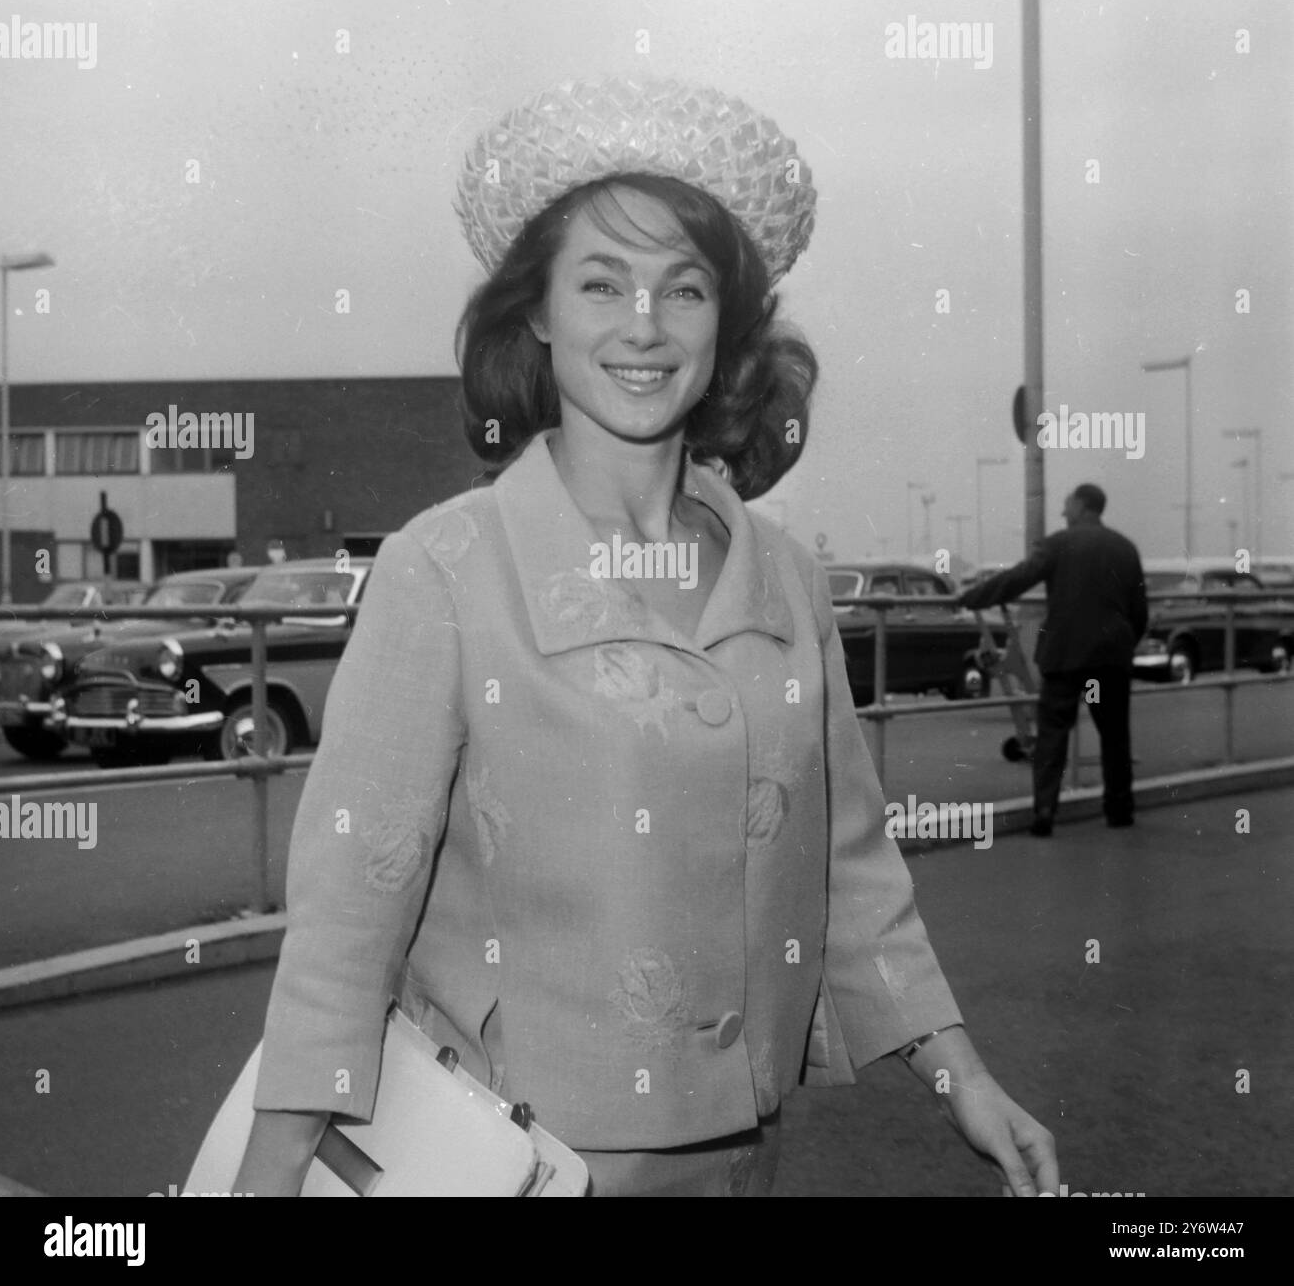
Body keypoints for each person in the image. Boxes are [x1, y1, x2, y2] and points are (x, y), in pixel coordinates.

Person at [232, 76, 1057, 1196]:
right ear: (537, 310)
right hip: (516, 1158)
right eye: (601, 281)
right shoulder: (447, 568)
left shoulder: (787, 577)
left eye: (684, 289)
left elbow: (847, 866)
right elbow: (351, 898)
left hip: (742, 1153)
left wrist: (963, 1076)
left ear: (727, 322)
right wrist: (271, 1166)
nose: (642, 324)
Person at [958, 483, 1147, 837]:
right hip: (1110, 657)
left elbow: (1017, 579)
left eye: (1067, 505)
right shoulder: (1125, 549)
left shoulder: (1059, 545)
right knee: (1114, 735)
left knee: (1052, 735)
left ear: (1082, 505)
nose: (1063, 512)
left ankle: (1044, 812)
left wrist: (971, 597)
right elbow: (1139, 612)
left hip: (1066, 655)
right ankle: (1119, 810)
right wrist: (1121, 646)